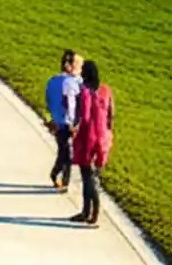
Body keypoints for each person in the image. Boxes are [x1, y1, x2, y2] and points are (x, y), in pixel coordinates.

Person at [70, 60, 114, 227]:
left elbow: (79, 116)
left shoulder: (83, 92)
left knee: (87, 175)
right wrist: (108, 132)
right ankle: (87, 210)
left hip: (87, 136)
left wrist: (71, 129)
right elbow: (111, 114)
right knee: (93, 174)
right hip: (102, 136)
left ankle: (91, 211)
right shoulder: (106, 90)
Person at [44, 50, 82, 191]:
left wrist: (49, 119)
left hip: (56, 122)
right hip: (66, 124)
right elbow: (71, 105)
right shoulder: (72, 83)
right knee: (66, 153)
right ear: (69, 65)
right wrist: (74, 123)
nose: (80, 68)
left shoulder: (52, 81)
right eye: (78, 64)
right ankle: (58, 177)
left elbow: (48, 101)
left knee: (65, 151)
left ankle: (62, 179)